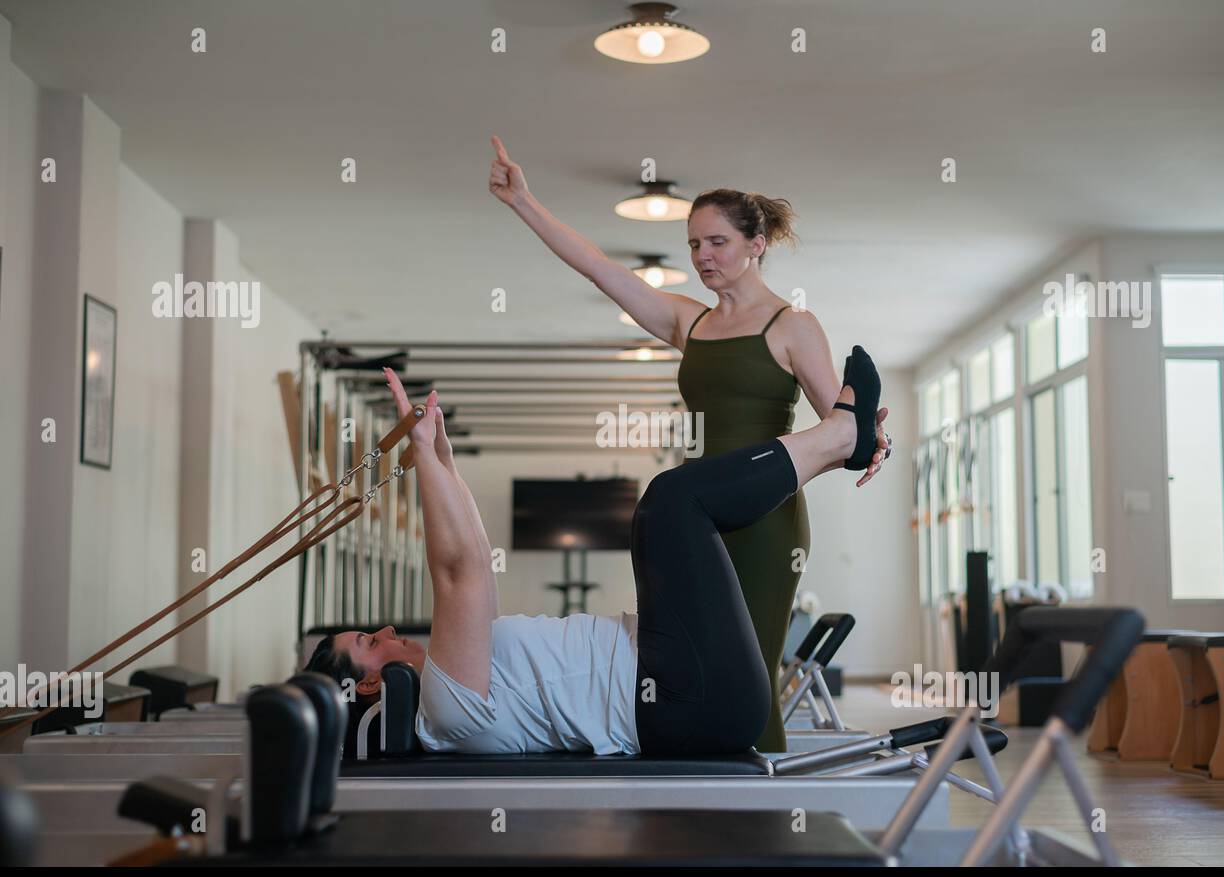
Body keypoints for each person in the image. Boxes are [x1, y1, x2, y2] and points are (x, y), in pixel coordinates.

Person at [486, 135, 890, 750]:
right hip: (692, 511)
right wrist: (524, 203)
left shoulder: (793, 326)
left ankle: (765, 805)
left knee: (749, 669)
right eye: (694, 244)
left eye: (717, 242)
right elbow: (600, 268)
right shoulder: (688, 321)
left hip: (762, 517)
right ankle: (703, 788)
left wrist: (869, 438)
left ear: (756, 246)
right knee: (686, 662)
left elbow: (836, 418)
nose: (703, 256)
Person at [306, 348, 881, 755]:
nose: (382, 631)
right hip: (690, 699)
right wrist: (423, 459)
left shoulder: (450, 681)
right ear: (369, 686)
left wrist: (441, 459)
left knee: (671, 505)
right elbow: (459, 572)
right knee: (669, 503)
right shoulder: (442, 711)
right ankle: (840, 436)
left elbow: (476, 558)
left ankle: (839, 443)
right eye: (367, 643)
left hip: (686, 686)